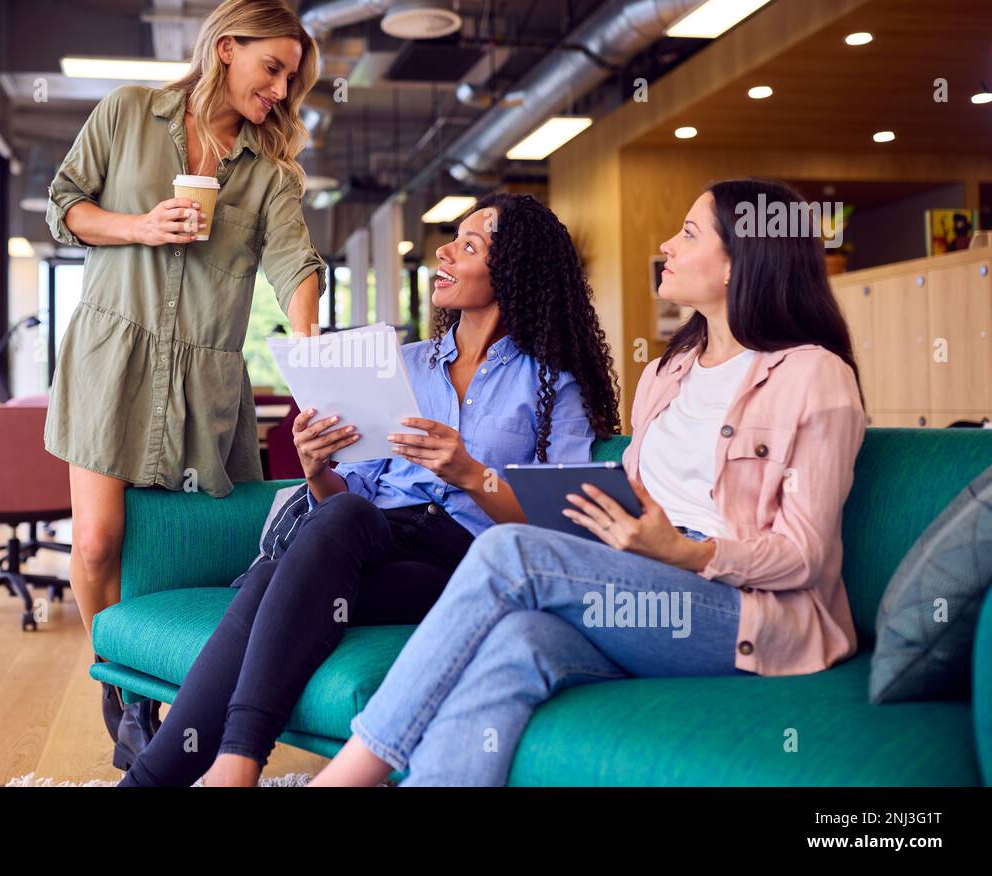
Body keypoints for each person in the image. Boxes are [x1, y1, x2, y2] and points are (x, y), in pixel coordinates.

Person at [310, 177, 867, 787]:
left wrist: (686, 551)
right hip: (643, 585)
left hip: (743, 614)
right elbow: (633, 495)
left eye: (687, 233)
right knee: (517, 642)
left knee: (506, 549)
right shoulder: (667, 373)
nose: (666, 245)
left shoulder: (815, 376)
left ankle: (345, 779)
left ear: (743, 260)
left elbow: (805, 557)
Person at [121, 193, 621, 786]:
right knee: (344, 514)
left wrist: (468, 472)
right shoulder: (401, 364)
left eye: (469, 245)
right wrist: (315, 469)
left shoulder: (551, 384)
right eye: (452, 238)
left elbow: (557, 521)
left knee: (268, 576)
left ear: (513, 270)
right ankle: (229, 765)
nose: (445, 252)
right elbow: (340, 501)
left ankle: (192, 773)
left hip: (463, 561)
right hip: (374, 534)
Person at [41, 0, 328, 768]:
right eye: (271, 69)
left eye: (289, 81)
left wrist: (309, 351)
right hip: (112, 357)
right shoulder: (129, 111)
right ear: (226, 47)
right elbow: (64, 204)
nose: (277, 91)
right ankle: (126, 692)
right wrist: (138, 226)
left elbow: (296, 262)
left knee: (193, 556)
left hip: (205, 376)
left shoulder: (268, 170)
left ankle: (184, 697)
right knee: (99, 542)